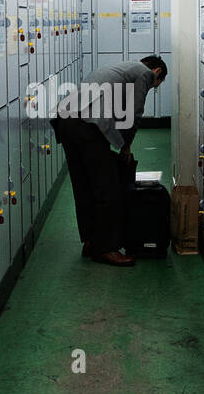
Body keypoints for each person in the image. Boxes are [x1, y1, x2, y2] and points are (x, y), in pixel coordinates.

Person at [51, 55, 168, 267]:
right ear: (157, 72)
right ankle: (106, 249)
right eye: (156, 86)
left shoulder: (119, 68)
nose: (152, 87)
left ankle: (91, 241)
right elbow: (135, 112)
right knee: (108, 186)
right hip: (87, 124)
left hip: (66, 121)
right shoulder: (144, 74)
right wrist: (126, 145)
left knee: (84, 184)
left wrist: (117, 140)